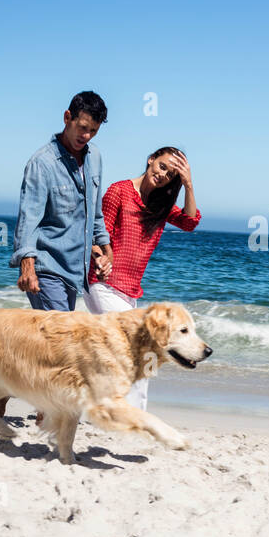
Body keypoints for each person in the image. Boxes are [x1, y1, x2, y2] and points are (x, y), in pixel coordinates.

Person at [0, 90, 113, 420]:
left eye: (93, 131)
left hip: (76, 269)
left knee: (46, 345)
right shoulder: (42, 163)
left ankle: (0, 390)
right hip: (46, 267)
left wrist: (106, 250)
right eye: (82, 127)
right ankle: (50, 413)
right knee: (64, 345)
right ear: (67, 118)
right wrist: (26, 265)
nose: (85, 136)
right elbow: (28, 218)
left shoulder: (95, 159)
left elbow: (95, 212)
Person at [84, 147, 201, 410]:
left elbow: (190, 222)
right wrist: (103, 258)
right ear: (151, 160)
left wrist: (188, 184)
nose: (163, 175)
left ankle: (92, 407)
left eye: (171, 175)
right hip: (103, 284)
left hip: (129, 292)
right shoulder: (120, 191)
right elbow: (96, 232)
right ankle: (137, 415)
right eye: (161, 167)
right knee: (143, 348)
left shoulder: (161, 205)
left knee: (112, 354)